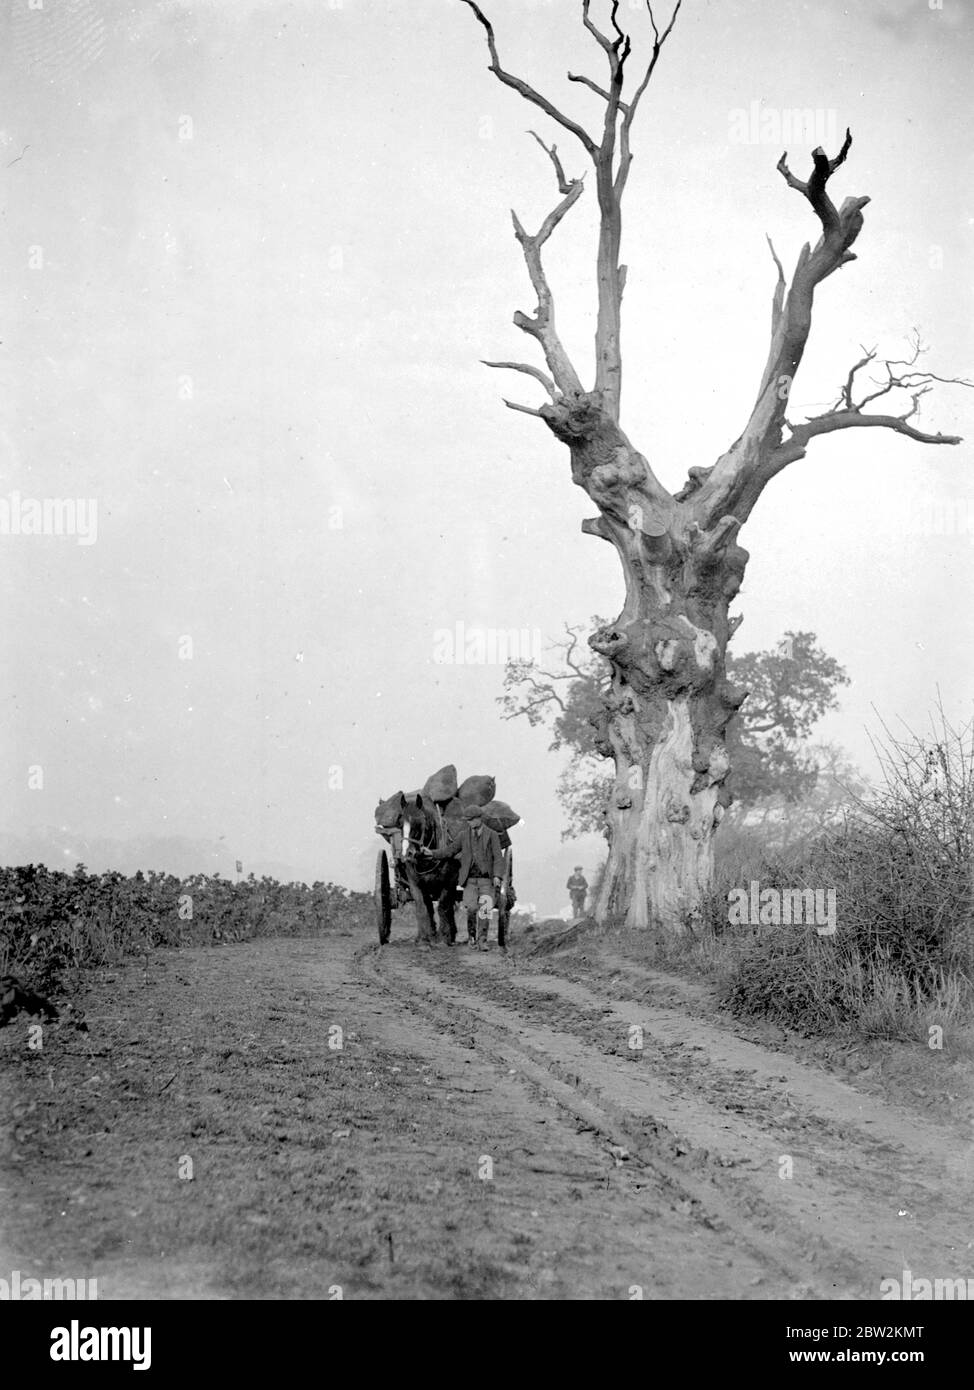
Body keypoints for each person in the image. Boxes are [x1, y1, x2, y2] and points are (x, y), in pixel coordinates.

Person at [421, 804, 506, 950]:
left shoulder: (492, 835)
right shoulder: (463, 836)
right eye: (468, 820)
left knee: (485, 909)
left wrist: (498, 876)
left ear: (479, 819)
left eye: (472, 820)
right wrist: (432, 853)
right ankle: (472, 937)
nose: (470, 823)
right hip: (470, 880)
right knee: (472, 908)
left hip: (487, 879)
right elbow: (449, 851)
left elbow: (498, 857)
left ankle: (482, 940)